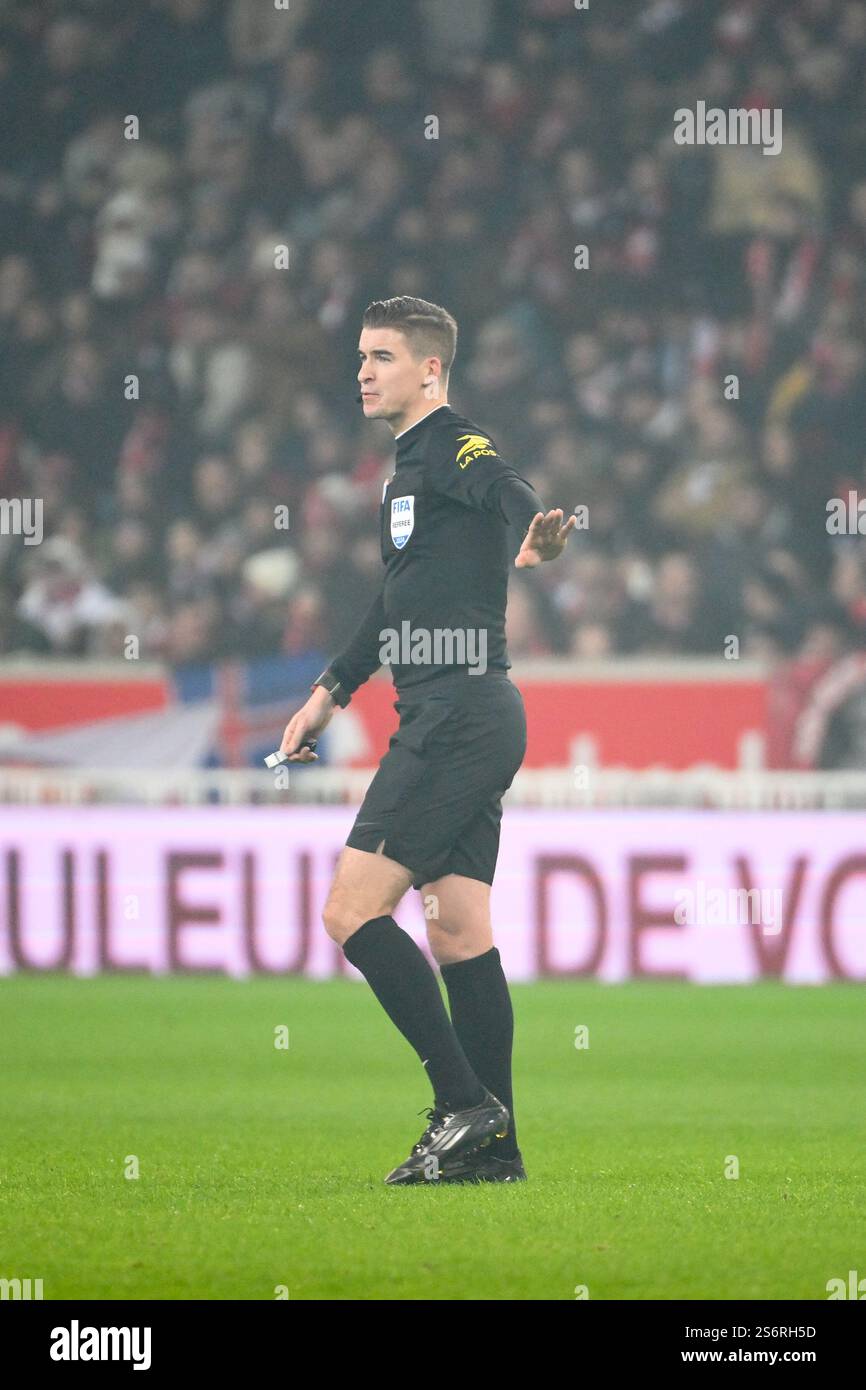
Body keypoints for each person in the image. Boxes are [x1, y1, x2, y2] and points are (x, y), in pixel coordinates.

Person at [279, 296, 576, 1184]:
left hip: (457, 716)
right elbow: (394, 602)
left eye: (380, 357)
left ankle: (464, 1106)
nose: (363, 371)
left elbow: (506, 481)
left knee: (349, 911)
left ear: (430, 370)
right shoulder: (405, 469)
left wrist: (536, 526)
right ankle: (499, 1151)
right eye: (361, 357)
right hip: (465, 713)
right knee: (458, 934)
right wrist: (329, 690)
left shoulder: (450, 443)